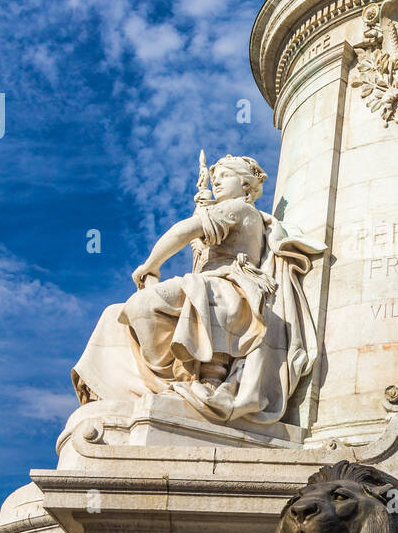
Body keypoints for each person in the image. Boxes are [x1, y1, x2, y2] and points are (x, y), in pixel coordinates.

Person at [72, 155, 325, 427]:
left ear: (246, 186)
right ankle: (158, 385)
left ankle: (175, 382)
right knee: (114, 315)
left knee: (141, 307)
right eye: (215, 177)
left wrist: (151, 265)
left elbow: (184, 231)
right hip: (212, 287)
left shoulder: (240, 210)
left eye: (225, 176)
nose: (216, 181)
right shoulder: (232, 212)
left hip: (228, 290)